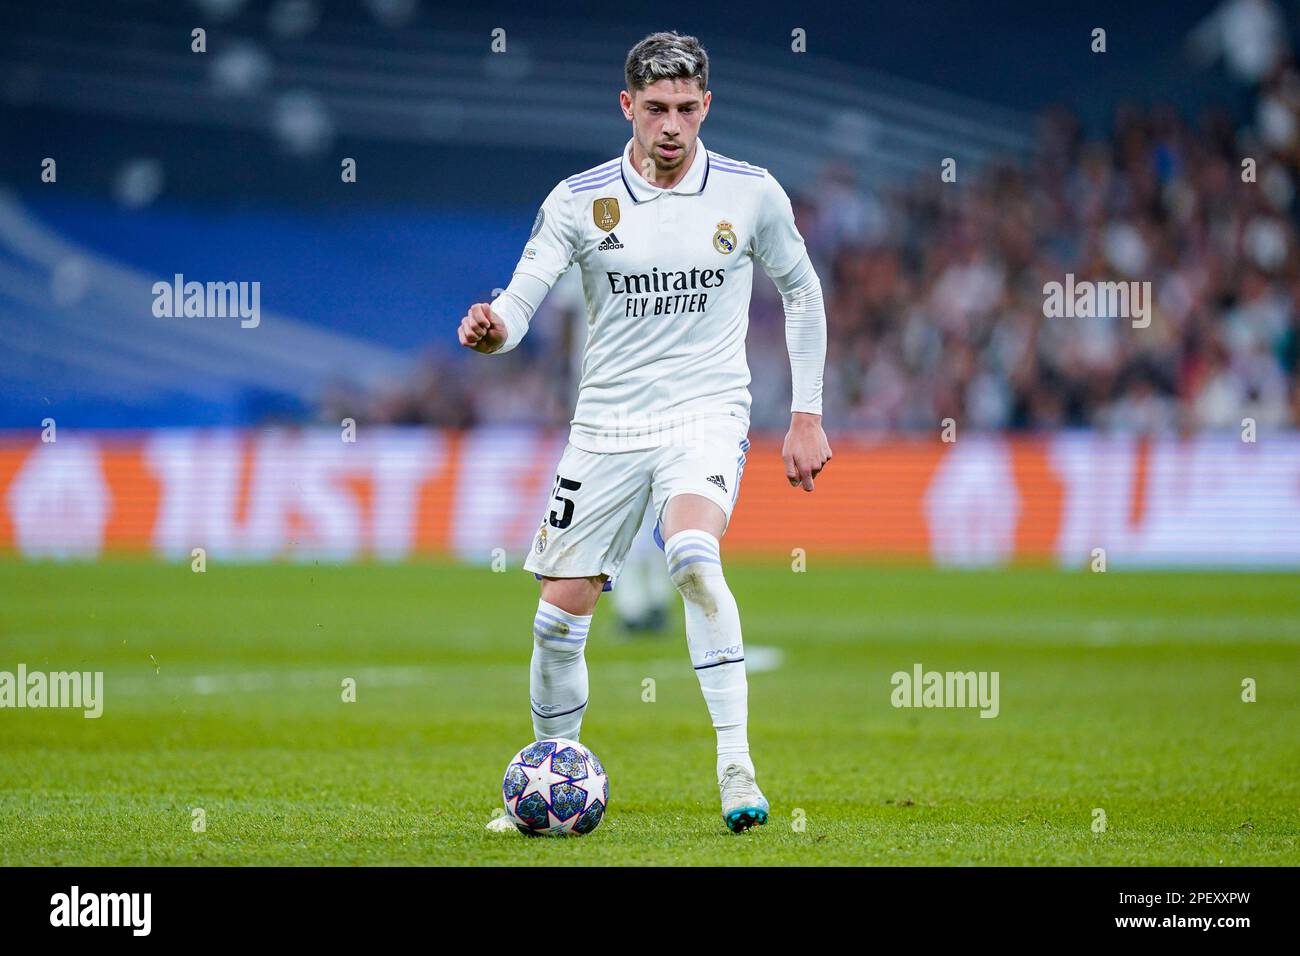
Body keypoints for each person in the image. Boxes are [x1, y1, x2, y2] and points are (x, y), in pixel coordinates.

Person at [459, 31, 830, 833]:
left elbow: (802, 293)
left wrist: (806, 413)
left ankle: (736, 766)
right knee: (557, 619)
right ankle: (552, 777)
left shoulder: (751, 192)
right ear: (627, 105)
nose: (671, 125)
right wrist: (496, 329)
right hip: (607, 424)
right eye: (655, 108)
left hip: (707, 412)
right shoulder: (577, 199)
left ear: (707, 106)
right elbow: (523, 297)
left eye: (686, 109)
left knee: (693, 556)